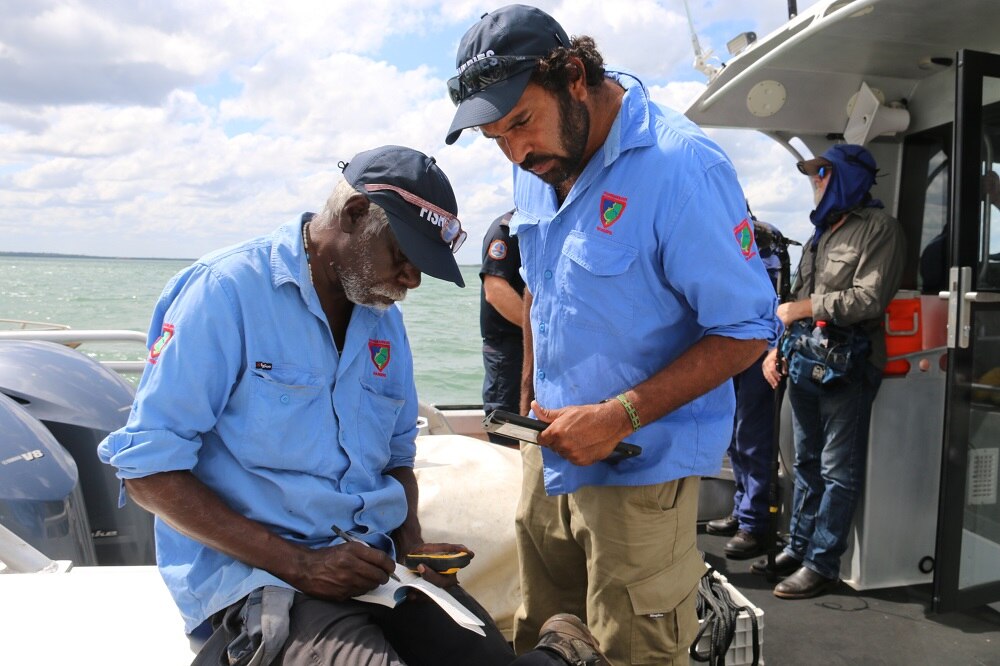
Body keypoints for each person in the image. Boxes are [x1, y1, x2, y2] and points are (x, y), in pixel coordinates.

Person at [97, 145, 609, 666]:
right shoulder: (225, 292)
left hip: (375, 570)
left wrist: (410, 544)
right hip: (261, 578)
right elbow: (148, 472)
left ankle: (556, 651)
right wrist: (301, 564)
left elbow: (396, 457)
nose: (412, 280)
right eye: (403, 256)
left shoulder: (383, 319)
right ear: (354, 213)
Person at [445, 6, 781, 664]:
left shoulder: (682, 167)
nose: (516, 153)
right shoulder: (537, 164)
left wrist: (618, 416)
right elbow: (540, 289)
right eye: (495, 138)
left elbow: (747, 329)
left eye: (521, 122)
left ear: (575, 76)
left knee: (631, 648)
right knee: (543, 635)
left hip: (639, 470)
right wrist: (528, 407)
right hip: (548, 455)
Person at [760, 144, 906, 599]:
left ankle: (822, 563)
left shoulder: (880, 229)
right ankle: (799, 546)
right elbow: (794, 301)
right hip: (805, 360)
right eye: (812, 173)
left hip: (848, 366)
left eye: (822, 172)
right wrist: (776, 350)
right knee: (805, 462)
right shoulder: (822, 231)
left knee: (836, 468)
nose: (815, 180)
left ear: (846, 176)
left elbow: (869, 299)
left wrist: (803, 309)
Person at [707, 219, 789, 560]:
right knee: (733, 436)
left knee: (752, 437)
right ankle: (742, 511)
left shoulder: (763, 236)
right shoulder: (720, 230)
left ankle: (755, 523)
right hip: (728, 343)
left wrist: (774, 349)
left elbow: (776, 298)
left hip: (757, 347)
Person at [480, 208, 525, 441]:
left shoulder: (540, 228)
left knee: (530, 428)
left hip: (534, 351)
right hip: (508, 351)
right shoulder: (506, 229)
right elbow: (495, 289)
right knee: (506, 433)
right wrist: (540, 332)